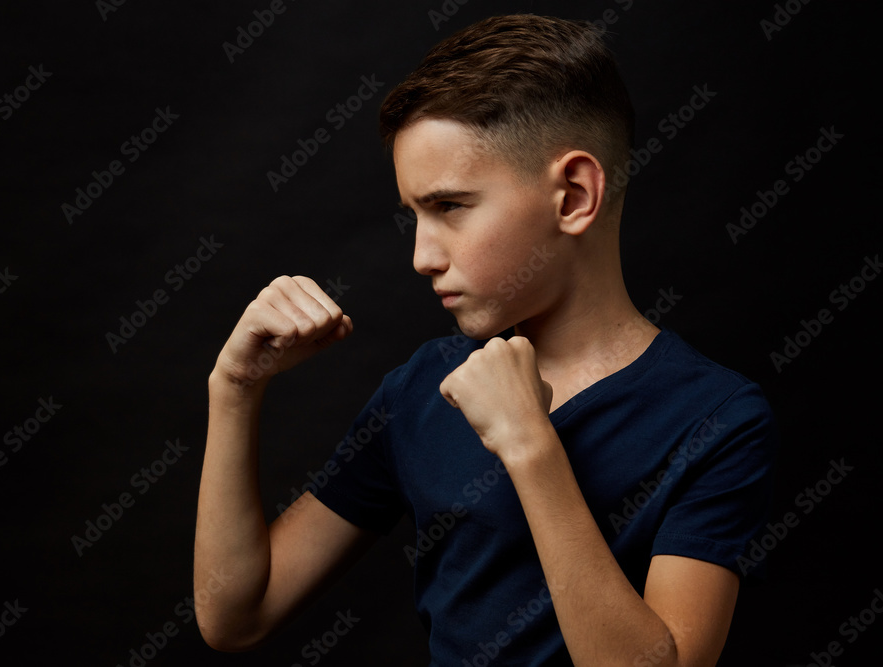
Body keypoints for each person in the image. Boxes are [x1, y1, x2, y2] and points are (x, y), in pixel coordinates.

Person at [193, 14, 777, 666]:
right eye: (414, 214)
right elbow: (235, 616)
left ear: (573, 196)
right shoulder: (424, 388)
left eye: (450, 206)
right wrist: (235, 389)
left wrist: (529, 445)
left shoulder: (717, 419)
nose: (421, 257)